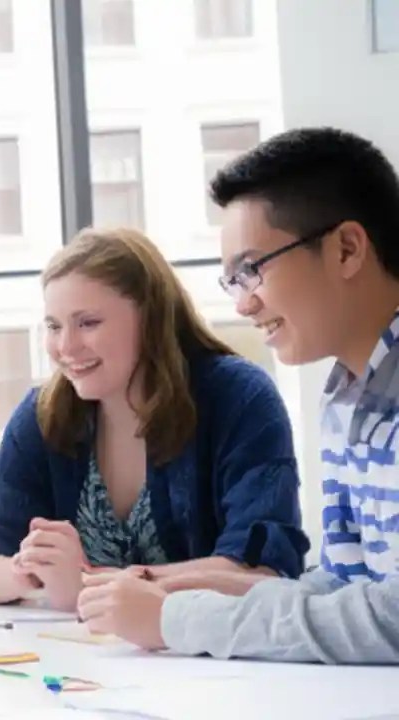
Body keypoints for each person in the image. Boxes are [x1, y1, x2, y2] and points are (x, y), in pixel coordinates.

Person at [77, 127, 399, 664]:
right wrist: (181, 591)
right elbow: (346, 585)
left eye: (252, 270)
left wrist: (177, 620)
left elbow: (390, 618)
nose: (244, 305)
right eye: (233, 280)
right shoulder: (347, 396)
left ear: (346, 249)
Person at [0, 228, 308, 612]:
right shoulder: (44, 413)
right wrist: (31, 573)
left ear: (149, 319)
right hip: (86, 662)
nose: (65, 347)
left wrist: (88, 584)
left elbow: (263, 571)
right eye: (54, 326)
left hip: (207, 659)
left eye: (87, 323)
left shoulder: (238, 397)